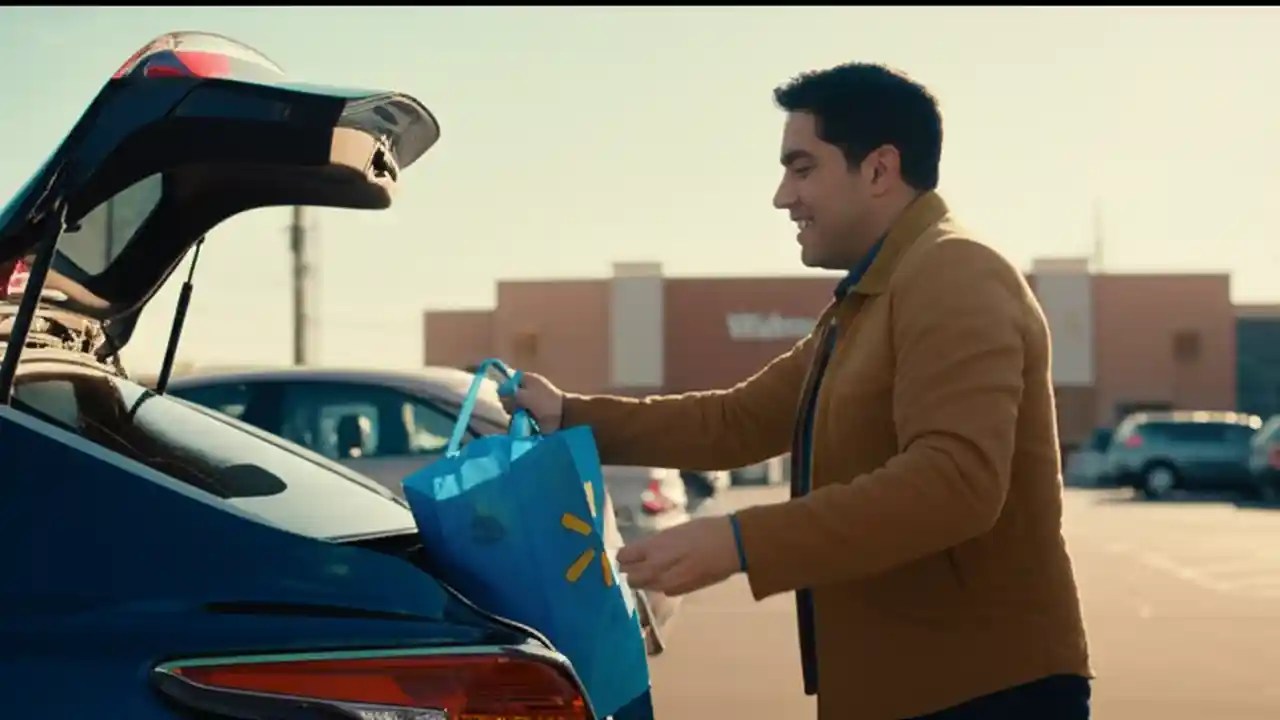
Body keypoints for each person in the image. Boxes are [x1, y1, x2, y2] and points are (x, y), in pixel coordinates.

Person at [503, 62, 1092, 720]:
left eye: (802, 167)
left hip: (984, 696)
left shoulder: (955, 271)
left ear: (878, 169)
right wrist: (570, 415)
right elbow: (737, 420)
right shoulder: (869, 299)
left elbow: (956, 482)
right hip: (903, 692)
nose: (783, 196)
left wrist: (739, 542)